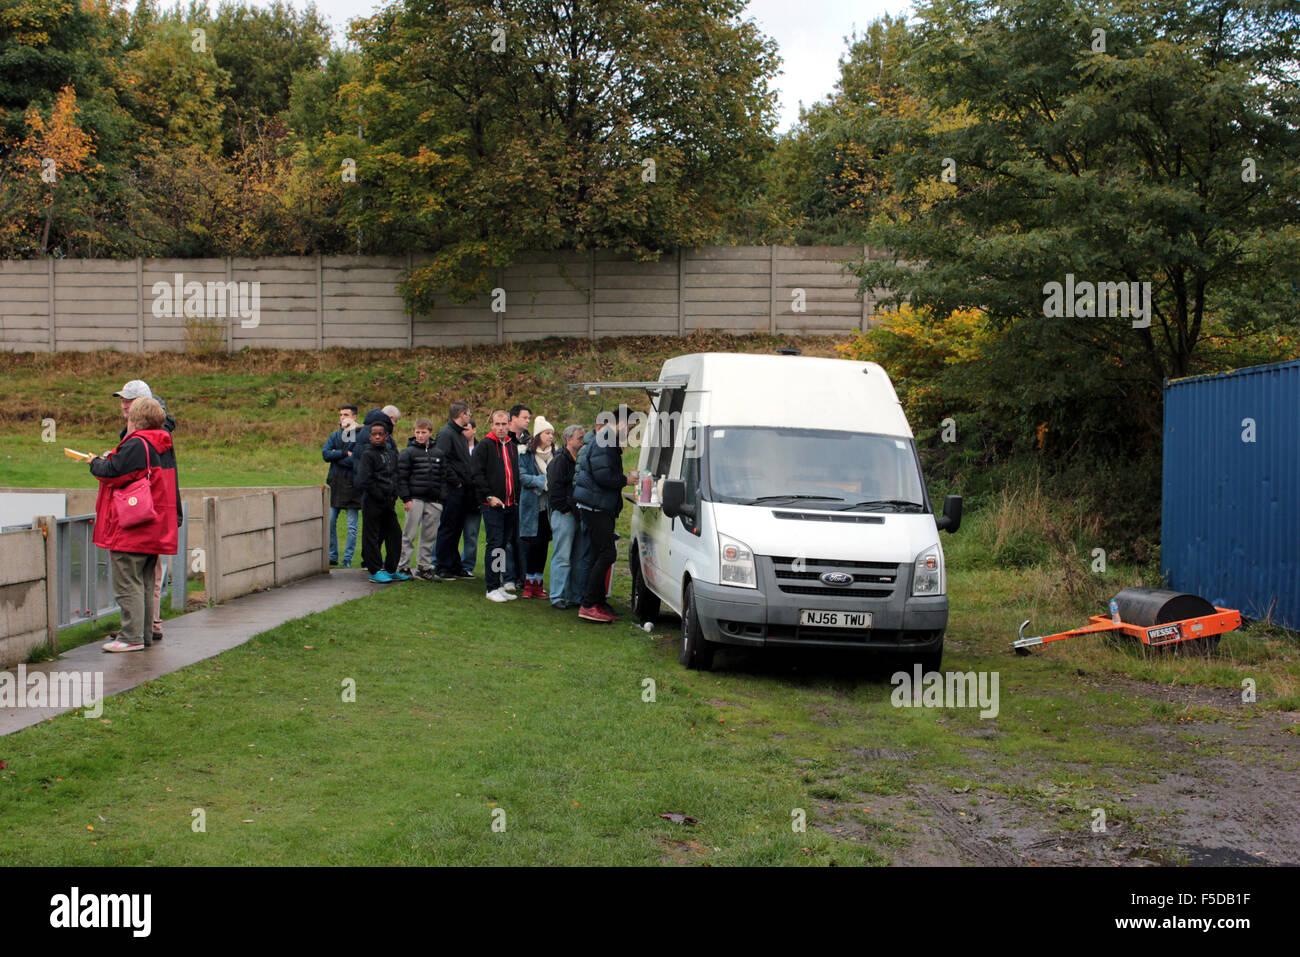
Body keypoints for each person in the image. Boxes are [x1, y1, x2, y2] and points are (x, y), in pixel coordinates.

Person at [90, 397, 180, 652]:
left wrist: (95, 463)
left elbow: (114, 473)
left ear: (134, 418)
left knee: (127, 583)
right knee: (145, 582)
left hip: (132, 527)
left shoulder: (137, 444)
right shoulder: (162, 443)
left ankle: (130, 637)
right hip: (155, 526)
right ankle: (144, 634)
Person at [111, 380, 179, 642]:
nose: (124, 406)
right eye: (123, 400)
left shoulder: (150, 435)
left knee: (144, 575)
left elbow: (133, 472)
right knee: (145, 575)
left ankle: (143, 629)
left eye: (129, 401)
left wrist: (107, 464)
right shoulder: (149, 432)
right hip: (152, 510)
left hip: (149, 512)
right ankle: (142, 627)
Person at [574, 405, 637, 623]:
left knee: (597, 554)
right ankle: (589, 604)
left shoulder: (608, 440)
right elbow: (603, 477)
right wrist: (625, 480)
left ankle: (597, 601)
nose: (630, 432)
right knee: (607, 554)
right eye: (629, 427)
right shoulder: (604, 441)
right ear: (619, 423)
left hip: (598, 505)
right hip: (595, 507)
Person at [472, 409, 521, 603]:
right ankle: (491, 586)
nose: (500, 428)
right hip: (492, 503)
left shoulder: (511, 444)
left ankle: (498, 583)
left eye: (504, 424)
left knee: (502, 544)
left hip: (510, 503)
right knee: (494, 543)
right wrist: (488, 496)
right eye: (497, 424)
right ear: (492, 425)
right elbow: (476, 474)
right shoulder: (485, 445)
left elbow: (513, 472)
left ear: (509, 424)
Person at [355, 419, 408, 583]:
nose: (377, 437)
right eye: (374, 434)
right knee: (371, 536)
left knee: (395, 534)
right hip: (373, 501)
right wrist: (378, 493)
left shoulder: (391, 454)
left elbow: (395, 475)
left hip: (388, 501)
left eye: (380, 434)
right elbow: (364, 480)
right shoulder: (367, 454)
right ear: (370, 437)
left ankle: (391, 568)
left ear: (386, 436)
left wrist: (395, 493)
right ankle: (375, 570)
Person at [397, 417, 446, 581]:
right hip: (415, 498)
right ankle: (403, 566)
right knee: (409, 534)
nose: (420, 435)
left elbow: (443, 477)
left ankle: (423, 567)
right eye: (417, 432)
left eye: (423, 432)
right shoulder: (408, 452)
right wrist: (406, 498)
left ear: (430, 433)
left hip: (434, 500)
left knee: (429, 536)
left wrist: (442, 499)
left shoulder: (438, 453)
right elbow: (401, 477)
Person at [547, 424, 587, 610]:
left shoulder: (579, 459)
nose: (582, 441)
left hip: (578, 513)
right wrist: (564, 508)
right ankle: (557, 596)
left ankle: (574, 596)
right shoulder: (560, 460)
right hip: (565, 514)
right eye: (579, 438)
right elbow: (554, 487)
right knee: (562, 556)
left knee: (577, 557)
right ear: (568, 439)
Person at [433, 401, 474, 579]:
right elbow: (441, 460)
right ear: (462, 414)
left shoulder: (459, 434)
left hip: (462, 488)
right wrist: (455, 481)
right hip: (451, 489)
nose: (469, 417)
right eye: (468, 414)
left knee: (457, 527)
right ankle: (442, 565)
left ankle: (454, 564)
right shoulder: (446, 434)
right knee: (448, 526)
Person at [519, 416, 555, 599]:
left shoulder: (554, 455)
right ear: (539, 435)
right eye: (547, 433)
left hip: (547, 508)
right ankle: (528, 583)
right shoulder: (526, 454)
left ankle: (538, 585)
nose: (550, 437)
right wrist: (543, 482)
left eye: (552, 434)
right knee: (531, 545)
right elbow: (523, 477)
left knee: (543, 545)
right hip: (531, 505)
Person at [322, 404, 363, 567]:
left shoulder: (360, 437)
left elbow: (356, 460)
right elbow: (325, 454)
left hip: (352, 486)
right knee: (330, 521)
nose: (342, 417)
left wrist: (336, 456)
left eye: (346, 414)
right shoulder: (335, 436)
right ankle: (332, 555)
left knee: (352, 526)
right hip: (335, 484)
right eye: (340, 414)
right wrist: (344, 453)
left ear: (354, 417)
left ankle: (347, 559)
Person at [504, 403, 532, 592]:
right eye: (524, 417)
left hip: (523, 498)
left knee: (522, 540)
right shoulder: (503, 439)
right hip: (505, 497)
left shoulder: (530, 441)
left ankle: (523, 577)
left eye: (529, 418)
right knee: (503, 541)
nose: (527, 421)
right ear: (513, 418)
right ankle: (504, 576)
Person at [458, 418, 481, 576]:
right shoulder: (456, 447)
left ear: (474, 430)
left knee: (471, 535)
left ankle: (467, 566)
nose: (464, 432)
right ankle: (441, 561)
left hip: (474, 499)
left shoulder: (481, 449)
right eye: (462, 429)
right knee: (449, 531)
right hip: (457, 497)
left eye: (467, 429)